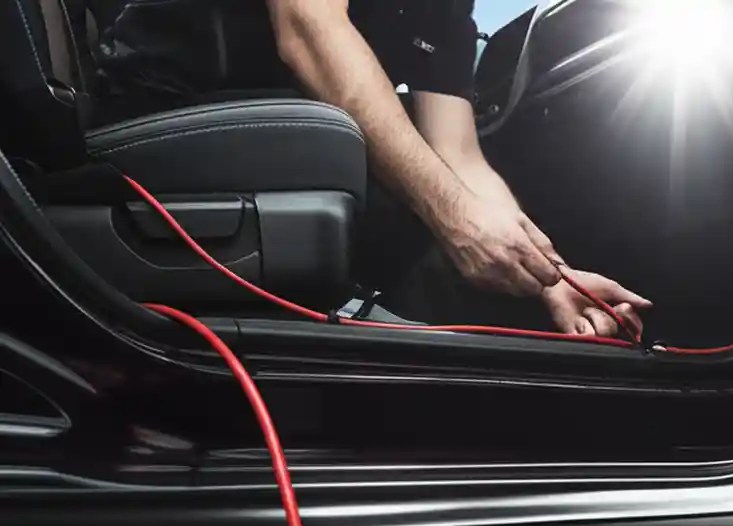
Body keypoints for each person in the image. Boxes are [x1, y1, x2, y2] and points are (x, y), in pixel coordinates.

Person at [88, 0, 651, 338]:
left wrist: (553, 278)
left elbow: (458, 155)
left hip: (299, 152)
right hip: (167, 115)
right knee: (406, 194)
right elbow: (307, 31)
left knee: (447, 241)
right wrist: (453, 219)